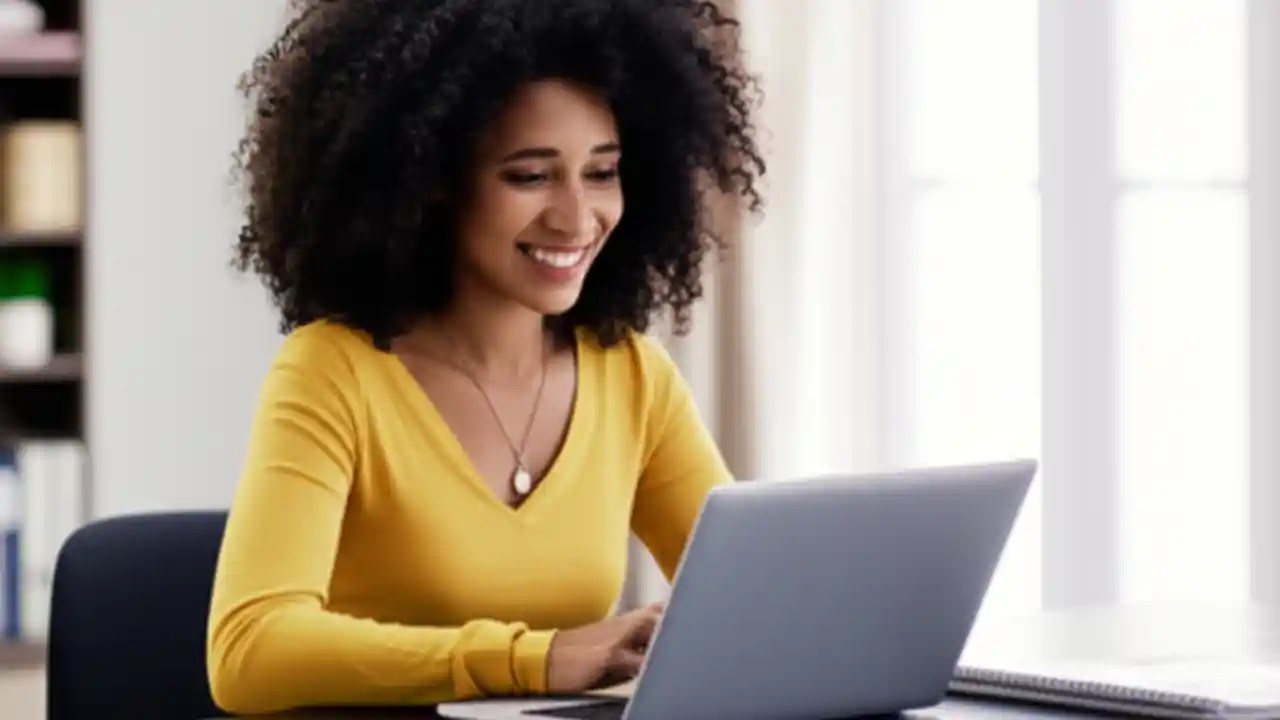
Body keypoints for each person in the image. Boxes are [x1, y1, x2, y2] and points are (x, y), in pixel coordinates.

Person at [205, 0, 764, 714]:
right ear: (432, 179)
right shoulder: (332, 372)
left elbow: (751, 597)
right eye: (530, 176)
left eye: (602, 172)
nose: (576, 216)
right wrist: (534, 657)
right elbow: (249, 650)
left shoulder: (632, 374)